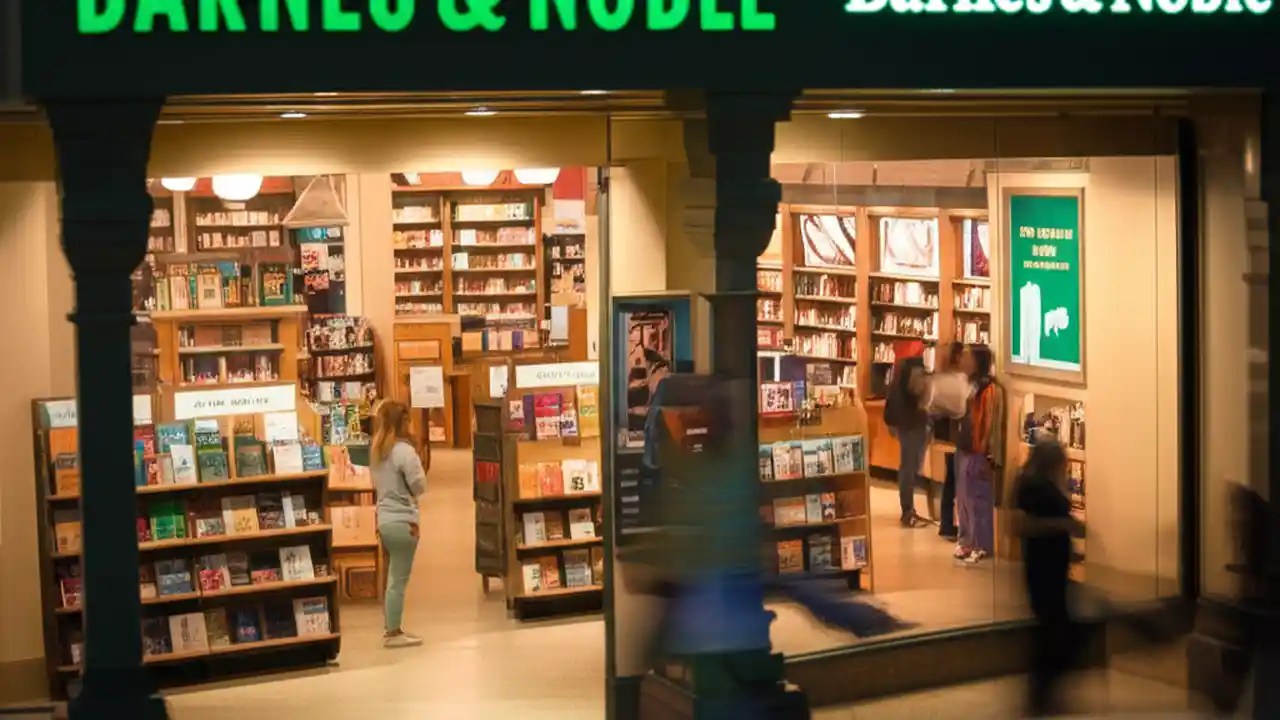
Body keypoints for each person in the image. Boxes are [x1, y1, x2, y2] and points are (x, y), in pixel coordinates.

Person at [1014, 437, 1083, 716]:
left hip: (1051, 567)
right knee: (1053, 631)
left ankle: (1043, 696)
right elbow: (1022, 525)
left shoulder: (1037, 484)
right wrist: (1063, 526)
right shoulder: (1032, 486)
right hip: (1043, 570)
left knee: (1054, 631)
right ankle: (1040, 697)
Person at [371, 400, 428, 648]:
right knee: (398, 579)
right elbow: (419, 485)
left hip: (384, 519)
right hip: (404, 520)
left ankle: (390, 626)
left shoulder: (377, 451)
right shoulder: (405, 452)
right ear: (403, 422)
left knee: (390, 578)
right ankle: (393, 632)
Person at [954, 344, 1003, 564]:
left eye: (968, 357)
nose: (963, 361)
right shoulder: (970, 384)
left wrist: (985, 448)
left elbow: (989, 421)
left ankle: (981, 543)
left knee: (978, 499)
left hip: (977, 450)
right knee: (963, 498)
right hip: (964, 446)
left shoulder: (989, 388)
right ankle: (966, 540)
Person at [884, 339, 930, 528]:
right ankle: (908, 512)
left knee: (907, 467)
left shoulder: (900, 367)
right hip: (913, 424)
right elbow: (919, 395)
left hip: (902, 422)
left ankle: (908, 510)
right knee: (909, 467)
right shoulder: (916, 370)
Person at [929, 342, 968, 542]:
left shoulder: (940, 379)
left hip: (945, 436)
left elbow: (931, 406)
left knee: (950, 480)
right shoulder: (963, 380)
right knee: (960, 481)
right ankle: (961, 526)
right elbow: (963, 407)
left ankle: (946, 523)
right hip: (961, 436)